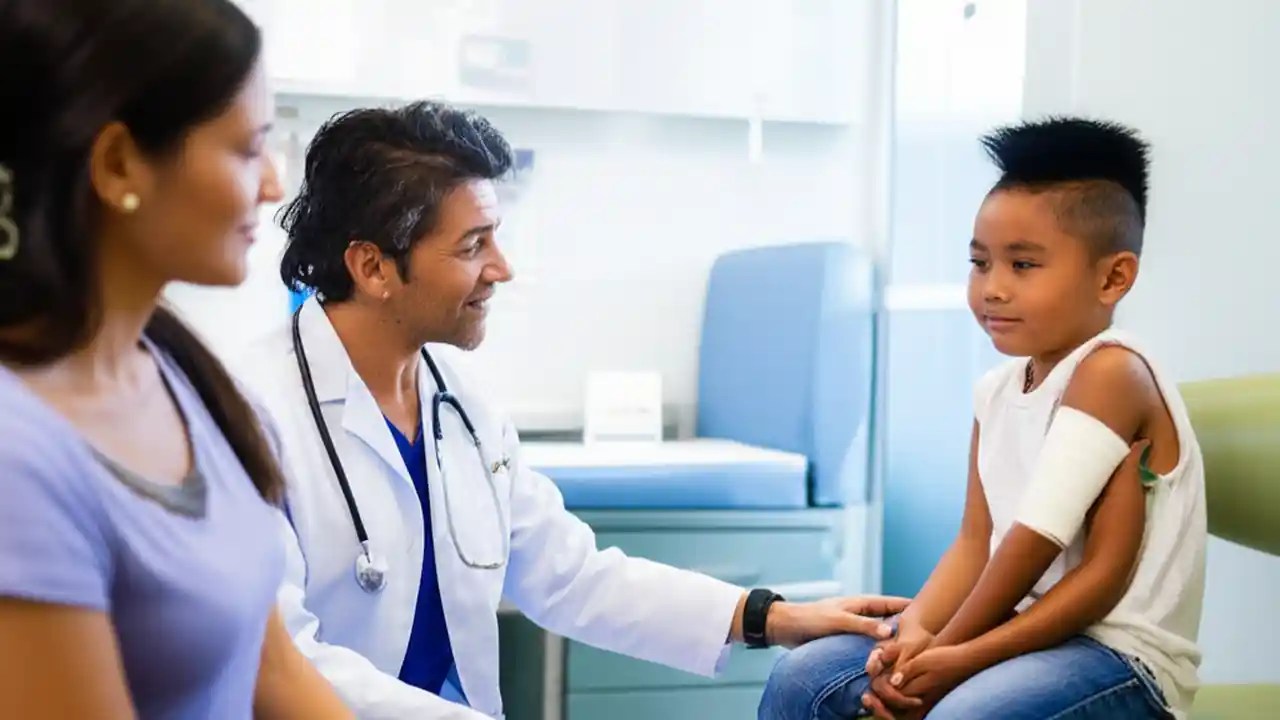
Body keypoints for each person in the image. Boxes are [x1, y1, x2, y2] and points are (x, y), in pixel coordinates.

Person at [233, 99, 910, 719]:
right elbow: (285, 661)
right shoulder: (253, 413)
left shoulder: (458, 404)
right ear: (373, 267)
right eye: (473, 246)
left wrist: (771, 616)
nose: (502, 268)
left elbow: (569, 574)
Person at [758, 118, 1207, 720]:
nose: (992, 288)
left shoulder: (1112, 373)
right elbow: (976, 544)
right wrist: (911, 636)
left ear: (1113, 277)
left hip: (1119, 661)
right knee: (802, 678)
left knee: (960, 714)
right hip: (1022, 631)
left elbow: (1035, 543)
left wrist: (948, 655)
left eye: (1022, 266)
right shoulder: (995, 393)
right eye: (980, 263)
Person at [0, 1, 352, 717]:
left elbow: (274, 672)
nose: (273, 185)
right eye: (248, 149)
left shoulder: (196, 385)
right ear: (120, 163)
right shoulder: (19, 455)